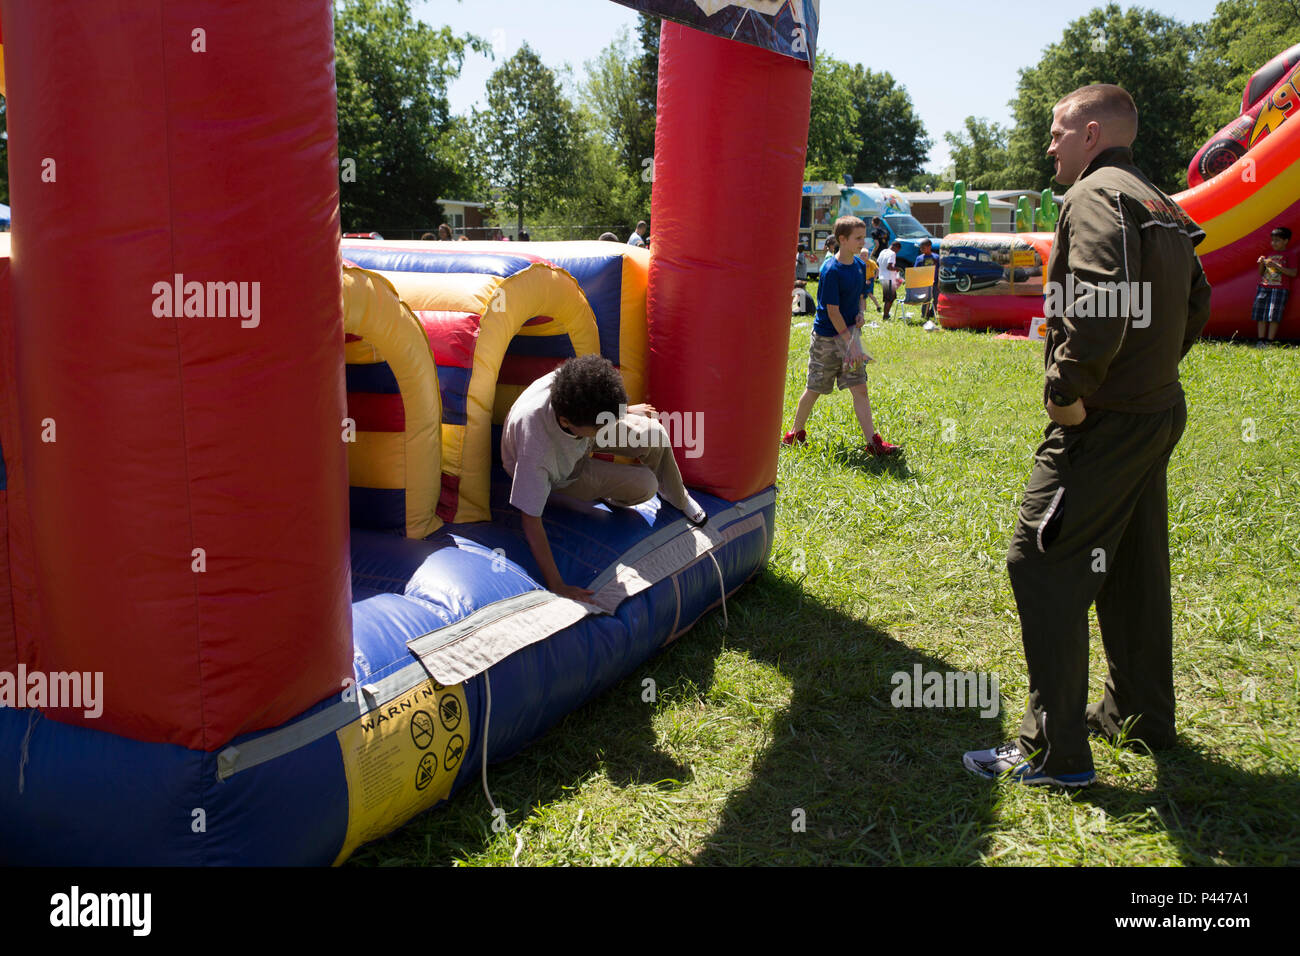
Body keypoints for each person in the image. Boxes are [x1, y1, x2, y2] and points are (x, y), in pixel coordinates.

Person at [963, 83, 1212, 787]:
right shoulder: (1158, 199)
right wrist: (1152, 369)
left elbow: (1099, 301)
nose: (1049, 146)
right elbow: (1197, 299)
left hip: (1103, 422)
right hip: (1154, 410)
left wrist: (1068, 392)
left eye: (1056, 132)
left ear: (1092, 132)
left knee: (1039, 564)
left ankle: (1055, 753)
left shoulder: (1095, 194)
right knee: (1129, 566)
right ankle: (1138, 716)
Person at [502, 355, 707, 602]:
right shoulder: (537, 450)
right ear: (567, 421)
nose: (608, 427)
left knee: (655, 433)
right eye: (603, 424)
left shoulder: (574, 386)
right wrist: (557, 584)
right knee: (645, 486)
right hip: (562, 471)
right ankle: (605, 489)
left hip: (580, 434)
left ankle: (677, 495)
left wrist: (623, 411)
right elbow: (531, 521)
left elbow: (595, 402)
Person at [782, 215, 901, 456]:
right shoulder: (830, 270)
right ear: (842, 240)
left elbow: (858, 298)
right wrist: (849, 341)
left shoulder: (858, 266)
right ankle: (794, 434)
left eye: (864, 236)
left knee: (860, 388)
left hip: (849, 336)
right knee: (815, 388)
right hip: (827, 339)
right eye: (858, 238)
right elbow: (833, 312)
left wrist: (859, 314)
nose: (863, 241)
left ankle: (872, 442)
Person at [1253, 226, 1295, 346]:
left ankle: (1270, 341)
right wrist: (1261, 263)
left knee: (1273, 315)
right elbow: (1261, 273)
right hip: (1264, 286)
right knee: (1260, 314)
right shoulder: (1269, 254)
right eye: (1272, 240)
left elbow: (1293, 273)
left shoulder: (1290, 254)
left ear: (1286, 241)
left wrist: (1276, 266)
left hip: (1280, 289)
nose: (1274, 243)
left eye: (1277, 240)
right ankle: (1261, 340)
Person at [911, 238, 940, 319]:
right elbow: (915, 270)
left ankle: (933, 313)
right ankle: (924, 315)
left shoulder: (936, 257)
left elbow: (939, 270)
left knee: (936, 299)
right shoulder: (919, 258)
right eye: (920, 248)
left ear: (929, 247)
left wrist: (939, 282)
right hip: (924, 283)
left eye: (923, 248)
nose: (921, 249)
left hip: (935, 282)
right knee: (925, 299)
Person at [877, 240, 902, 320]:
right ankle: (885, 315)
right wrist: (897, 269)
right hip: (888, 278)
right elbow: (889, 267)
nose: (897, 252)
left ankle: (886, 314)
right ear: (896, 248)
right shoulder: (892, 253)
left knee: (890, 297)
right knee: (890, 299)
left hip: (882, 277)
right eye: (898, 250)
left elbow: (878, 262)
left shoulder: (883, 251)